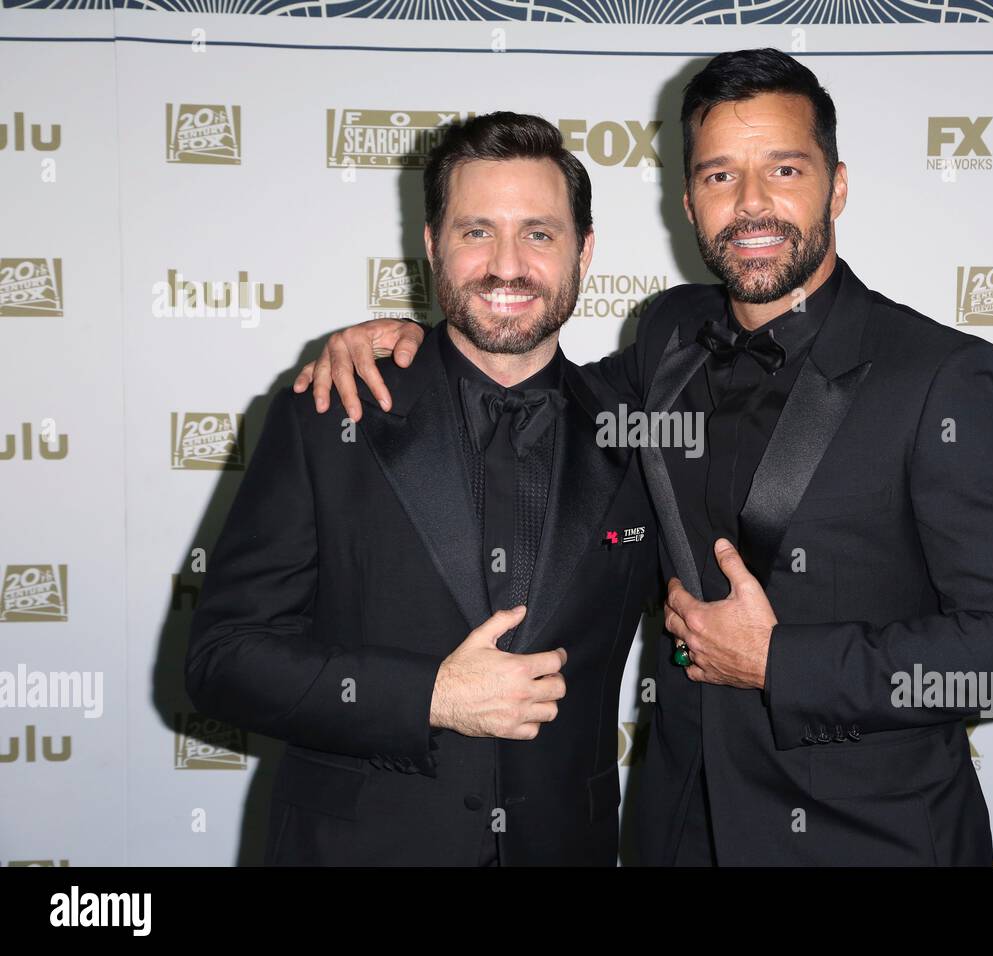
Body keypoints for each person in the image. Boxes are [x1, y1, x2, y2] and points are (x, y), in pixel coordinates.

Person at [298, 48, 993, 865]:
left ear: (837, 186)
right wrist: (406, 340)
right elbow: (526, 379)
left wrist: (782, 663)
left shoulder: (938, 375)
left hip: (867, 842)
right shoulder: (669, 335)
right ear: (689, 204)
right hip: (676, 836)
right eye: (718, 177)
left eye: (783, 169)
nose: (752, 205)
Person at [186, 112, 660, 866]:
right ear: (433, 244)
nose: (507, 266)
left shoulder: (640, 440)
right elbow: (222, 662)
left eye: (538, 233)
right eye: (477, 232)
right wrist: (428, 697)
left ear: (585, 251)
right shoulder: (330, 412)